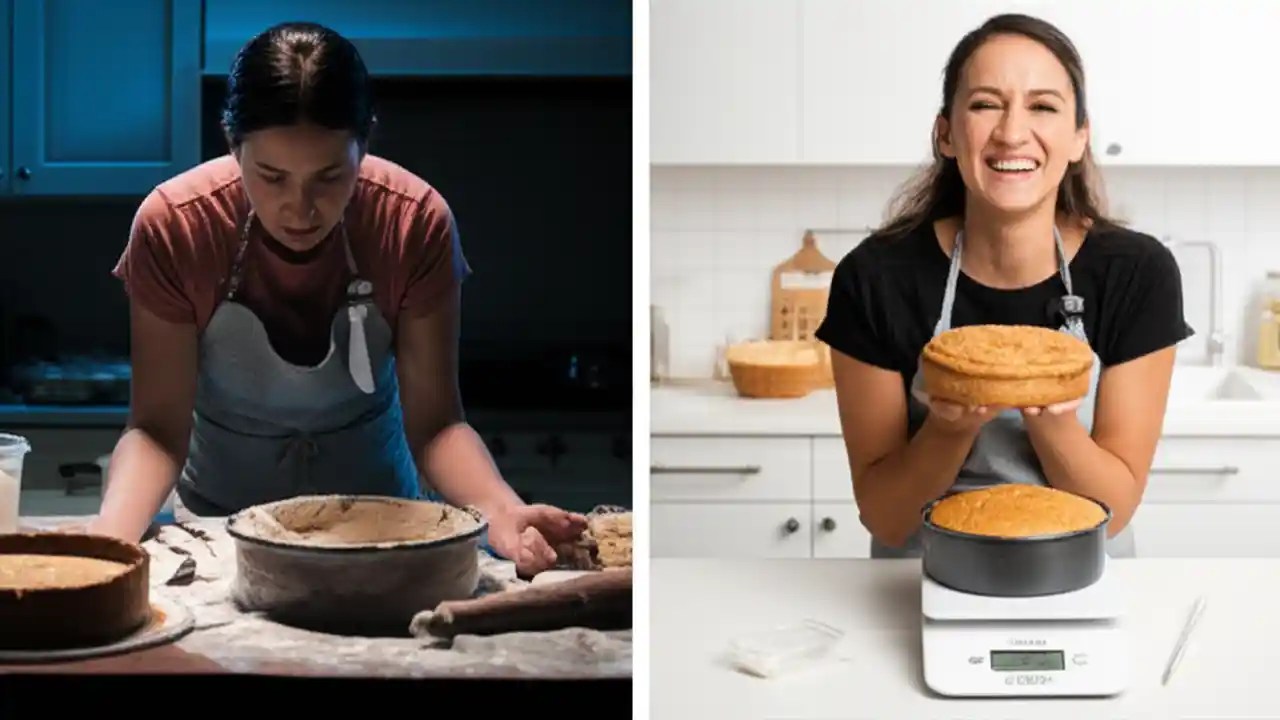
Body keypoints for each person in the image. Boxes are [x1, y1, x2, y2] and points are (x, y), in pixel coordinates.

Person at [88, 21, 587, 576]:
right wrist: (112, 539)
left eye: (329, 176)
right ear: (233, 146)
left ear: (365, 142)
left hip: (386, 531)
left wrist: (502, 510)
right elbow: (156, 430)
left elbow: (438, 424)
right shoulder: (177, 226)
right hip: (221, 532)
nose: (300, 209)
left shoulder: (413, 221)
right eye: (271, 176)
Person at [813, 13, 1192, 559]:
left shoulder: (1137, 273)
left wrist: (1052, 413)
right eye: (986, 104)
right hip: (918, 583)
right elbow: (887, 519)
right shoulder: (875, 277)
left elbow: (1112, 512)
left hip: (1080, 581)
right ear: (945, 133)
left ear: (1079, 137)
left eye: (1043, 106)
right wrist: (948, 427)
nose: (1013, 133)